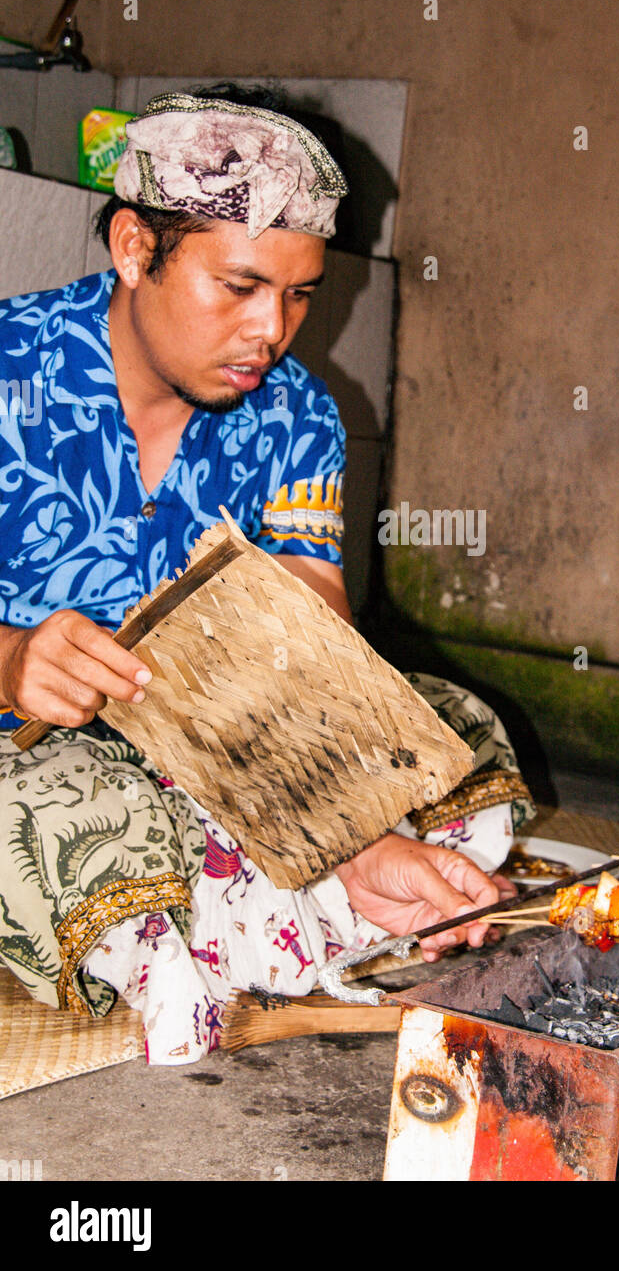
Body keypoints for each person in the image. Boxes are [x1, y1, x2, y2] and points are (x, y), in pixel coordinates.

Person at [0, 84, 532, 1063]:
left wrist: (354, 834)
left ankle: (267, 897)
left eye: (298, 295)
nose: (270, 331)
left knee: (452, 733)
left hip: (223, 746)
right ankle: (237, 911)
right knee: (60, 803)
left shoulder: (296, 415)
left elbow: (307, 651)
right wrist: (10, 660)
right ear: (134, 248)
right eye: (238, 286)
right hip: (26, 750)